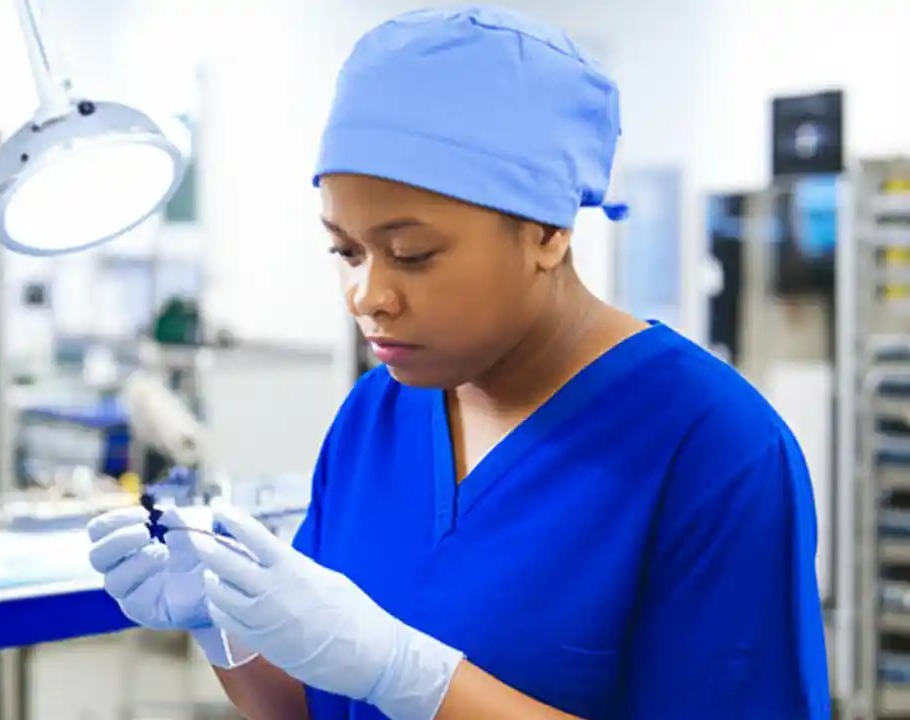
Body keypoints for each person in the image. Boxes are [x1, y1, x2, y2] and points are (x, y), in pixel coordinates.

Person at [86, 5, 830, 719]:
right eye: (344, 250)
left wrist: (412, 676)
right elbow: (317, 705)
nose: (366, 295)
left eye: (412, 255)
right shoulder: (376, 415)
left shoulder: (713, 449)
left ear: (546, 233)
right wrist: (228, 631)